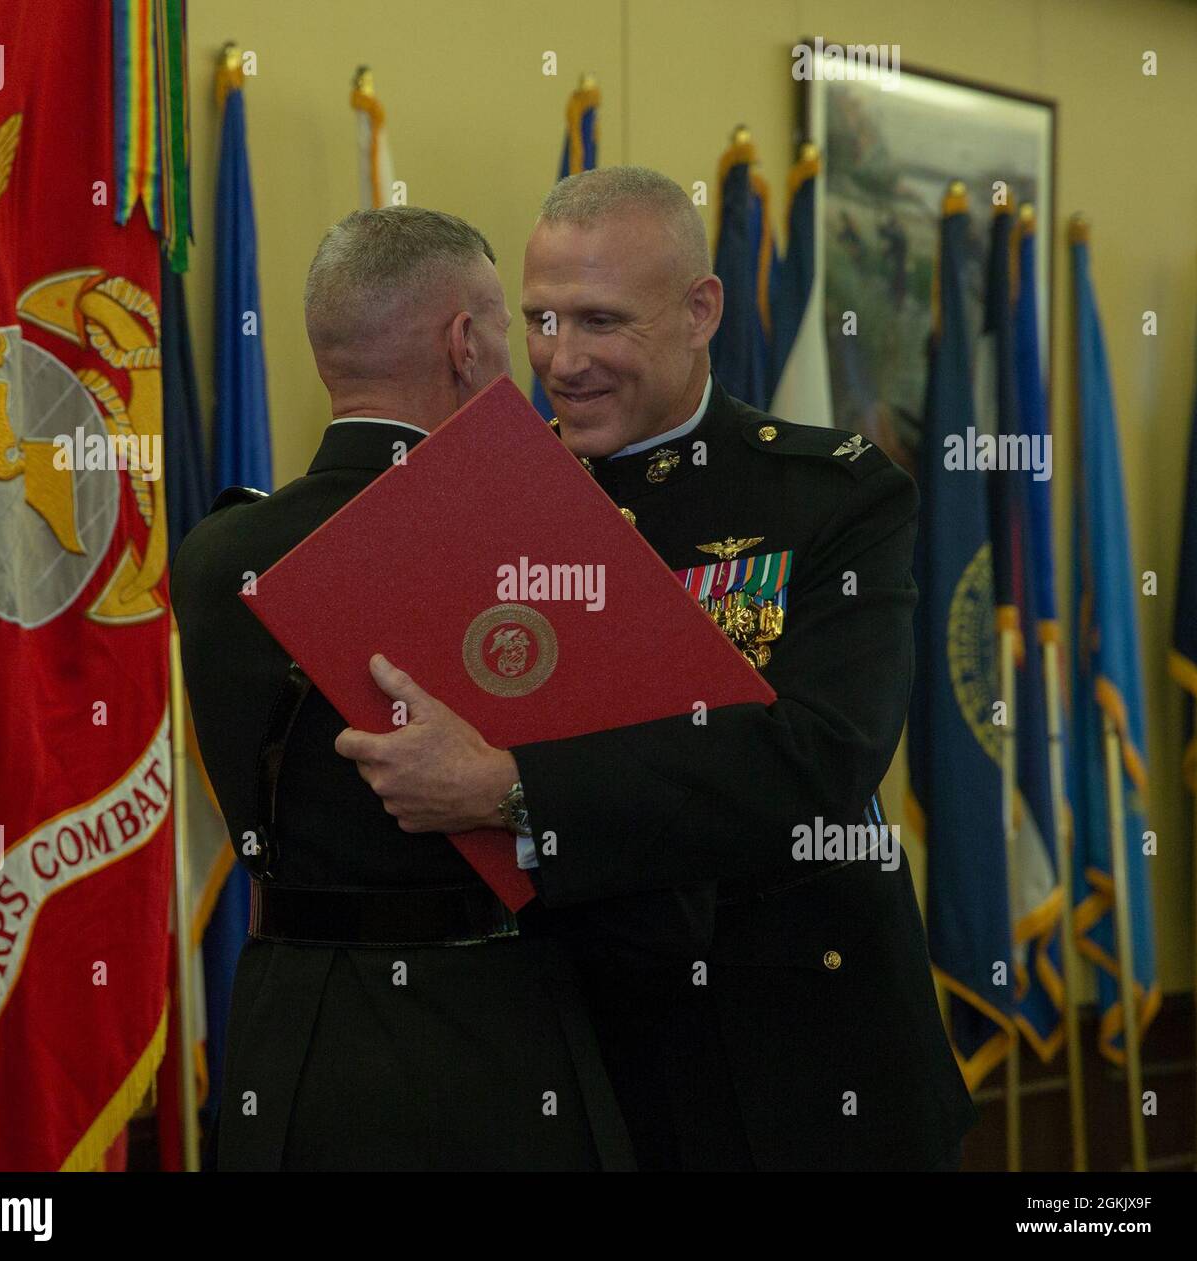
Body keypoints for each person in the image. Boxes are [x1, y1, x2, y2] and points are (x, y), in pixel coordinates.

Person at [338, 167, 980, 1171]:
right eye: (541, 319)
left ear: (699, 311)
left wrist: (514, 789)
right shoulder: (484, 504)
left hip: (802, 1072)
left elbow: (819, 758)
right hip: (581, 1072)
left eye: (600, 321)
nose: (561, 359)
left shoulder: (828, 495)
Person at [170, 207, 635, 1171]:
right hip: (486, 1039)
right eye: (509, 325)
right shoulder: (536, 545)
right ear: (464, 343)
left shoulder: (216, 553)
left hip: (285, 1036)